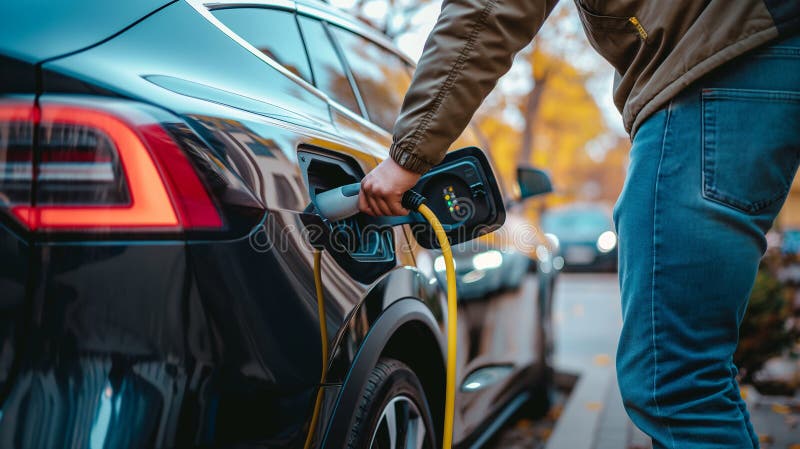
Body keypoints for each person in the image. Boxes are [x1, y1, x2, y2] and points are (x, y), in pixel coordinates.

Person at [358, 1, 800, 448]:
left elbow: (489, 7)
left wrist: (407, 156)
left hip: (717, 61)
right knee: (683, 374)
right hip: (752, 45)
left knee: (673, 380)